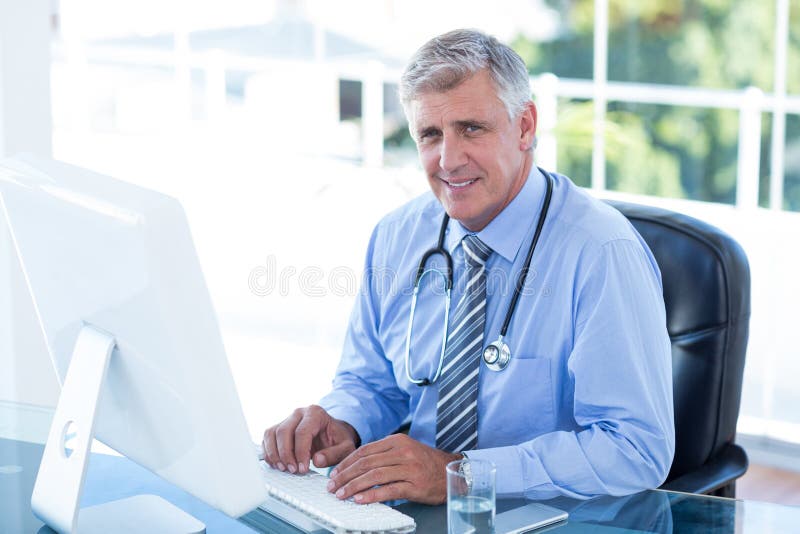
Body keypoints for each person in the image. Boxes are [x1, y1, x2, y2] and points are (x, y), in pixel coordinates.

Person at [262, 29, 675, 505]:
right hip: (414, 515)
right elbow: (368, 381)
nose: (448, 160)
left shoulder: (602, 253)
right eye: (430, 135)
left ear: (525, 126)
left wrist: (464, 474)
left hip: (550, 518)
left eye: (471, 129)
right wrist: (340, 422)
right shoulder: (397, 236)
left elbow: (636, 449)